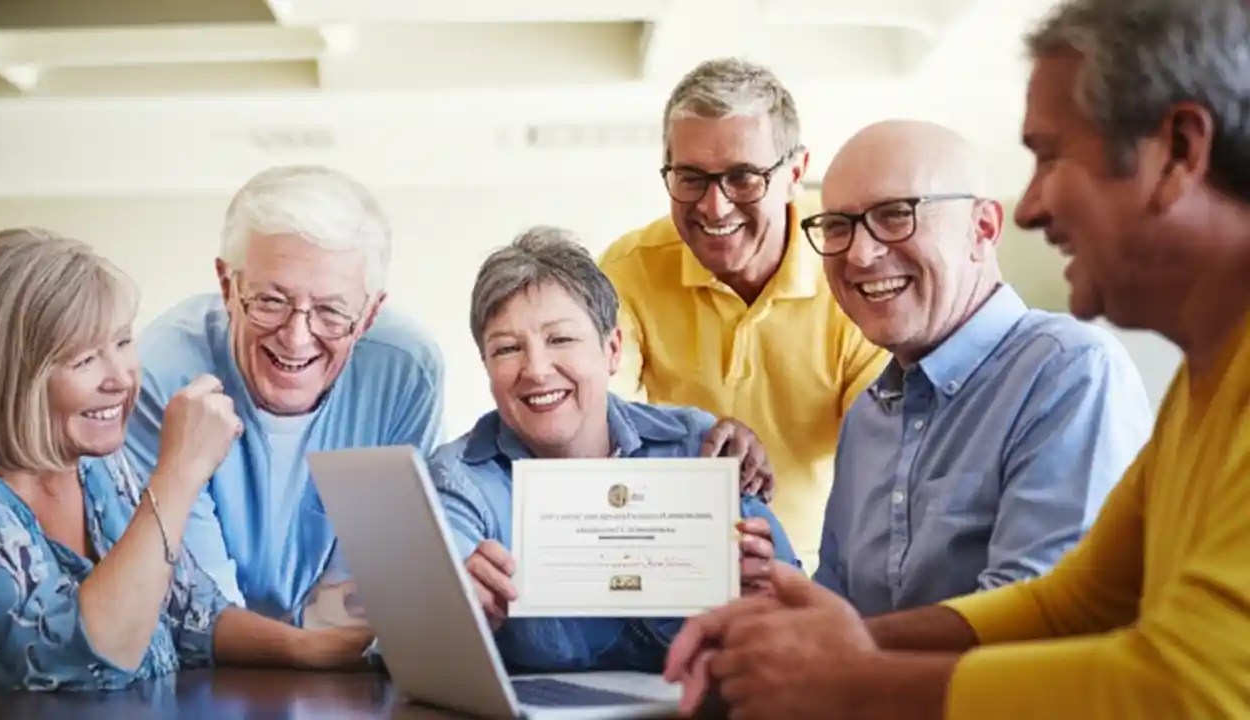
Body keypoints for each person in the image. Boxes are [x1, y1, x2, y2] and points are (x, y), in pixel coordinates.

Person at [662, 0, 1250, 717]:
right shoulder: (1202, 389)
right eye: (840, 225)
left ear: (1181, 151)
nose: (1030, 206)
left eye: (1050, 156)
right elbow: (1071, 604)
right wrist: (811, 647)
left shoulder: (1074, 371)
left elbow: (1194, 690)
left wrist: (850, 678)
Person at [0, 229, 374, 692]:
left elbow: (189, 611)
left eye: (122, 343)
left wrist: (308, 648)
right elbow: (75, 661)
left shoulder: (97, 466)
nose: (121, 379)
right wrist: (179, 472)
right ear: (8, 376)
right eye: (84, 360)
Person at [806, 119, 1152, 615]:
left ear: (983, 228)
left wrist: (836, 651)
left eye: (895, 215)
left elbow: (1039, 622)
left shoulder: (1070, 374)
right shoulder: (868, 416)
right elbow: (836, 604)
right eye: (838, 226)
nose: (861, 254)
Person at [430, 227, 798, 673]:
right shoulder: (459, 480)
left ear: (612, 349)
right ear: (486, 366)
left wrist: (766, 596)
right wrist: (451, 621)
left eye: (561, 339)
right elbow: (424, 649)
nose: (537, 370)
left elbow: (803, 617)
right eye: (507, 349)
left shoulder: (697, 445)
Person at [123, 165, 446, 626]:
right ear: (226, 286)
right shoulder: (162, 371)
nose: (297, 337)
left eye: (332, 312)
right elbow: (200, 609)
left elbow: (371, 583)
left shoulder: (405, 371)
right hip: (202, 663)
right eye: (271, 301)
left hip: (339, 661)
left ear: (371, 312)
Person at [598, 58, 888, 570]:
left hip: (818, 567)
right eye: (691, 178)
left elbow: (883, 462)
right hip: (676, 556)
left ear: (795, 173)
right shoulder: (628, 270)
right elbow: (597, 419)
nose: (714, 206)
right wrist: (695, 434)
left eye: (743, 178)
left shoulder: (855, 270)